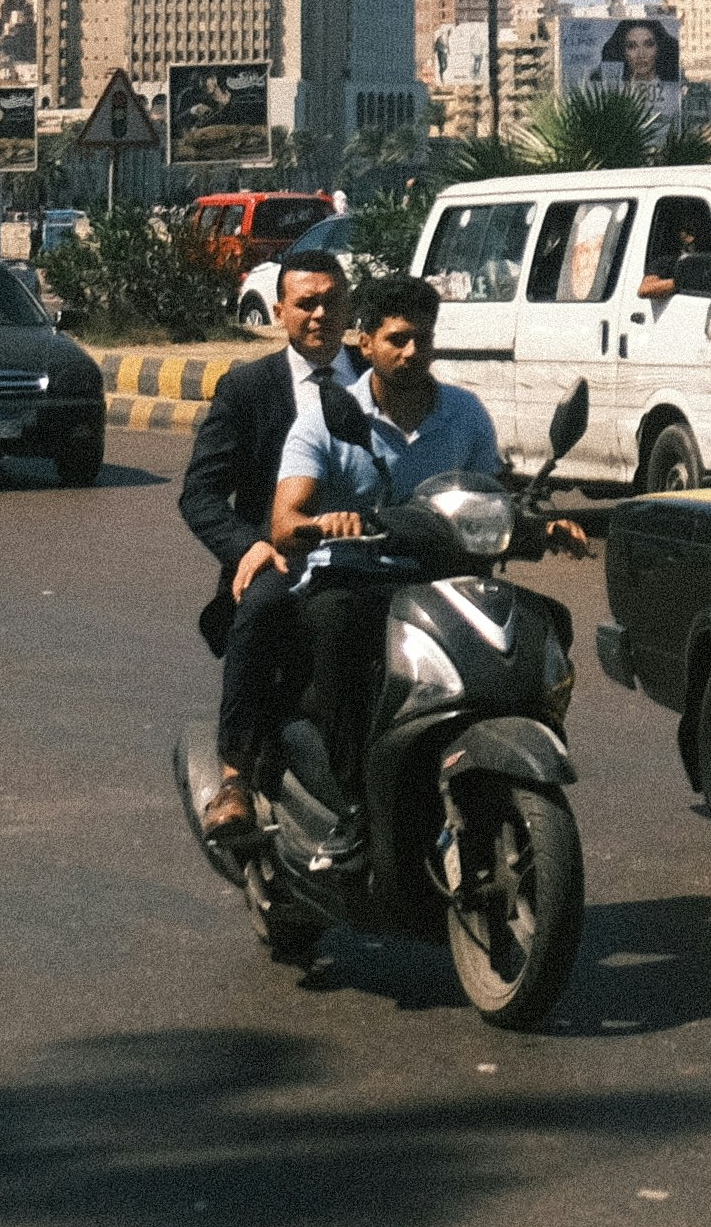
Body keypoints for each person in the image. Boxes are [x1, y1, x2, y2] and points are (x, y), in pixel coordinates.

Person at [215, 269, 511, 856]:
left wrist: (540, 521)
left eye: (422, 339)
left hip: (437, 577)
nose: (411, 352)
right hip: (354, 578)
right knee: (339, 629)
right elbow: (285, 519)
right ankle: (352, 802)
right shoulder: (329, 416)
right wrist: (323, 523)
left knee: (522, 624)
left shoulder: (467, 414)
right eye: (397, 340)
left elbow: (492, 493)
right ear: (367, 344)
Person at [178, 242, 351, 833]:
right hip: (279, 558)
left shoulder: (380, 380)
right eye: (306, 304)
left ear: (350, 308)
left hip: (368, 557)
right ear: (280, 312)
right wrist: (247, 545)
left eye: (331, 302)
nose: (320, 316)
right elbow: (199, 493)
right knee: (263, 607)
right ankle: (235, 775)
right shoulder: (249, 389)